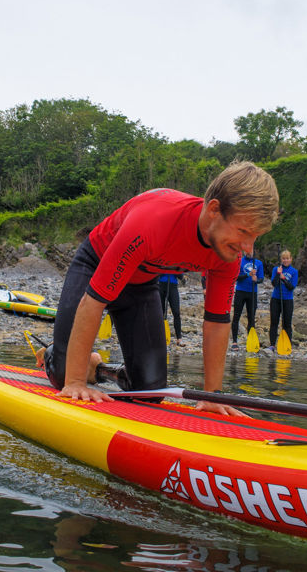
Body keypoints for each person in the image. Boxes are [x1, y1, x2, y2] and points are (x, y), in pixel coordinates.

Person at [42, 161, 279, 415]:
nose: (248, 248)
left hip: (140, 283)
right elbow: (93, 301)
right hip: (95, 264)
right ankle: (53, 352)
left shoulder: (228, 254)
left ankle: (98, 369)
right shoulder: (154, 222)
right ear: (214, 210)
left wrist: (212, 395)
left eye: (255, 236)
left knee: (150, 393)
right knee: (64, 375)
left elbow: (217, 321)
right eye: (243, 231)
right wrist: (76, 382)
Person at [230, 251, 264, 350]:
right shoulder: (239, 261)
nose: (249, 253)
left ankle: (250, 341)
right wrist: (248, 274)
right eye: (247, 251)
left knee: (251, 317)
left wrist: (256, 280)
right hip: (240, 291)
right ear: (244, 251)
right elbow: (236, 277)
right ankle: (234, 342)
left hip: (252, 292)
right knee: (236, 316)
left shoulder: (258, 263)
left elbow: (261, 279)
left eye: (251, 251)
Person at [268, 250, 298, 351]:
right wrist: (278, 274)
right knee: (274, 322)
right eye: (284, 258)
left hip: (288, 300)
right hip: (276, 299)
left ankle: (287, 344)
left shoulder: (294, 271)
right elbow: (274, 284)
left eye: (287, 258)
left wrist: (283, 278)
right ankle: (272, 344)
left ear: (291, 259)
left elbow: (291, 287)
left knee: (287, 323)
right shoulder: (276, 269)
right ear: (281, 259)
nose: (285, 260)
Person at [158, 273, 183, 346]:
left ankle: (179, 338)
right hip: (160, 285)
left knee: (176, 312)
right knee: (160, 313)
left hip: (173, 286)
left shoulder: (177, 264)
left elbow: (181, 276)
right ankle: (159, 337)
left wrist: (173, 269)